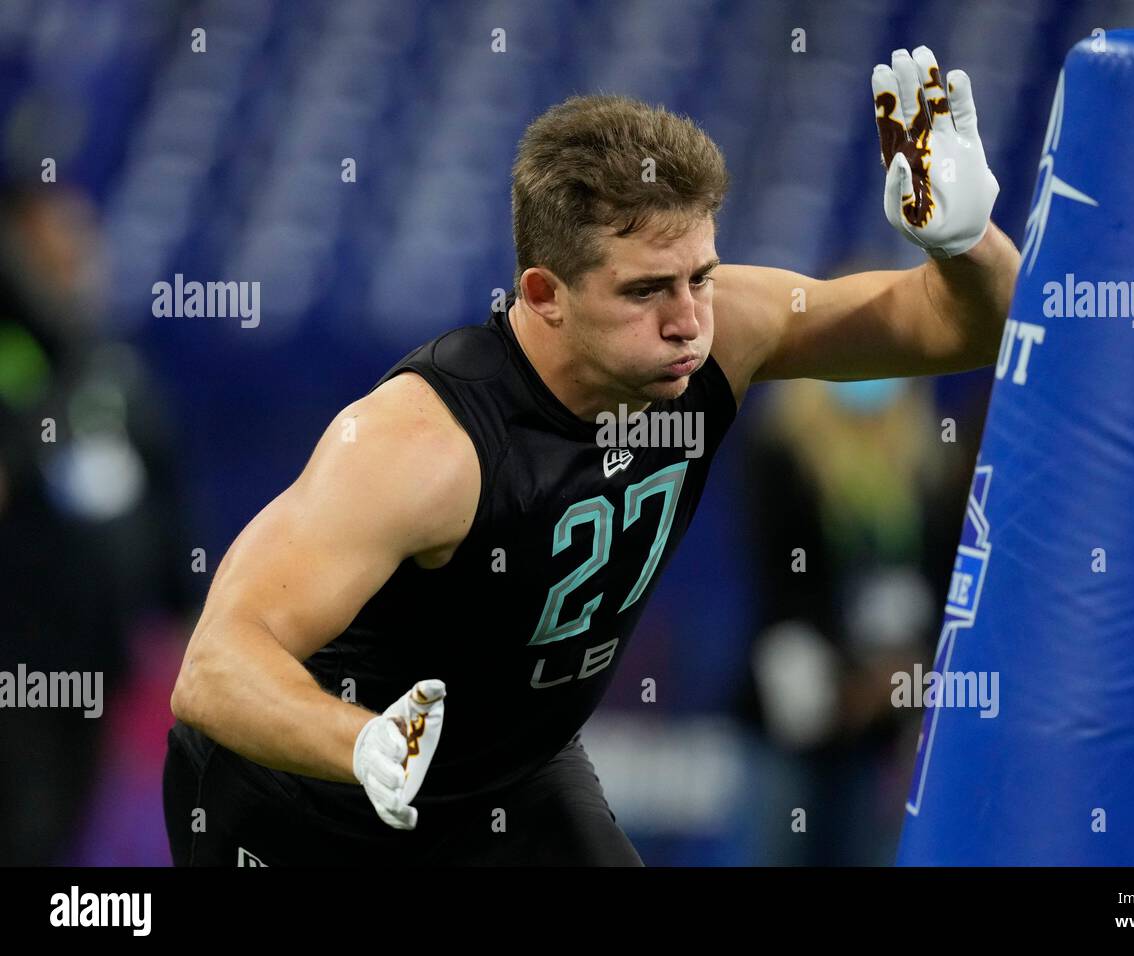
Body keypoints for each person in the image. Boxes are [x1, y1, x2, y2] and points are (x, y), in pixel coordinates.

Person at [164, 46, 1020, 865]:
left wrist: (966, 244)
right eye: (645, 290)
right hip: (304, 803)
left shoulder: (724, 331)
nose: (687, 319)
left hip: (511, 772)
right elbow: (215, 666)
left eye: (701, 276)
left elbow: (964, 326)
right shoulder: (423, 443)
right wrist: (358, 741)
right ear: (544, 295)